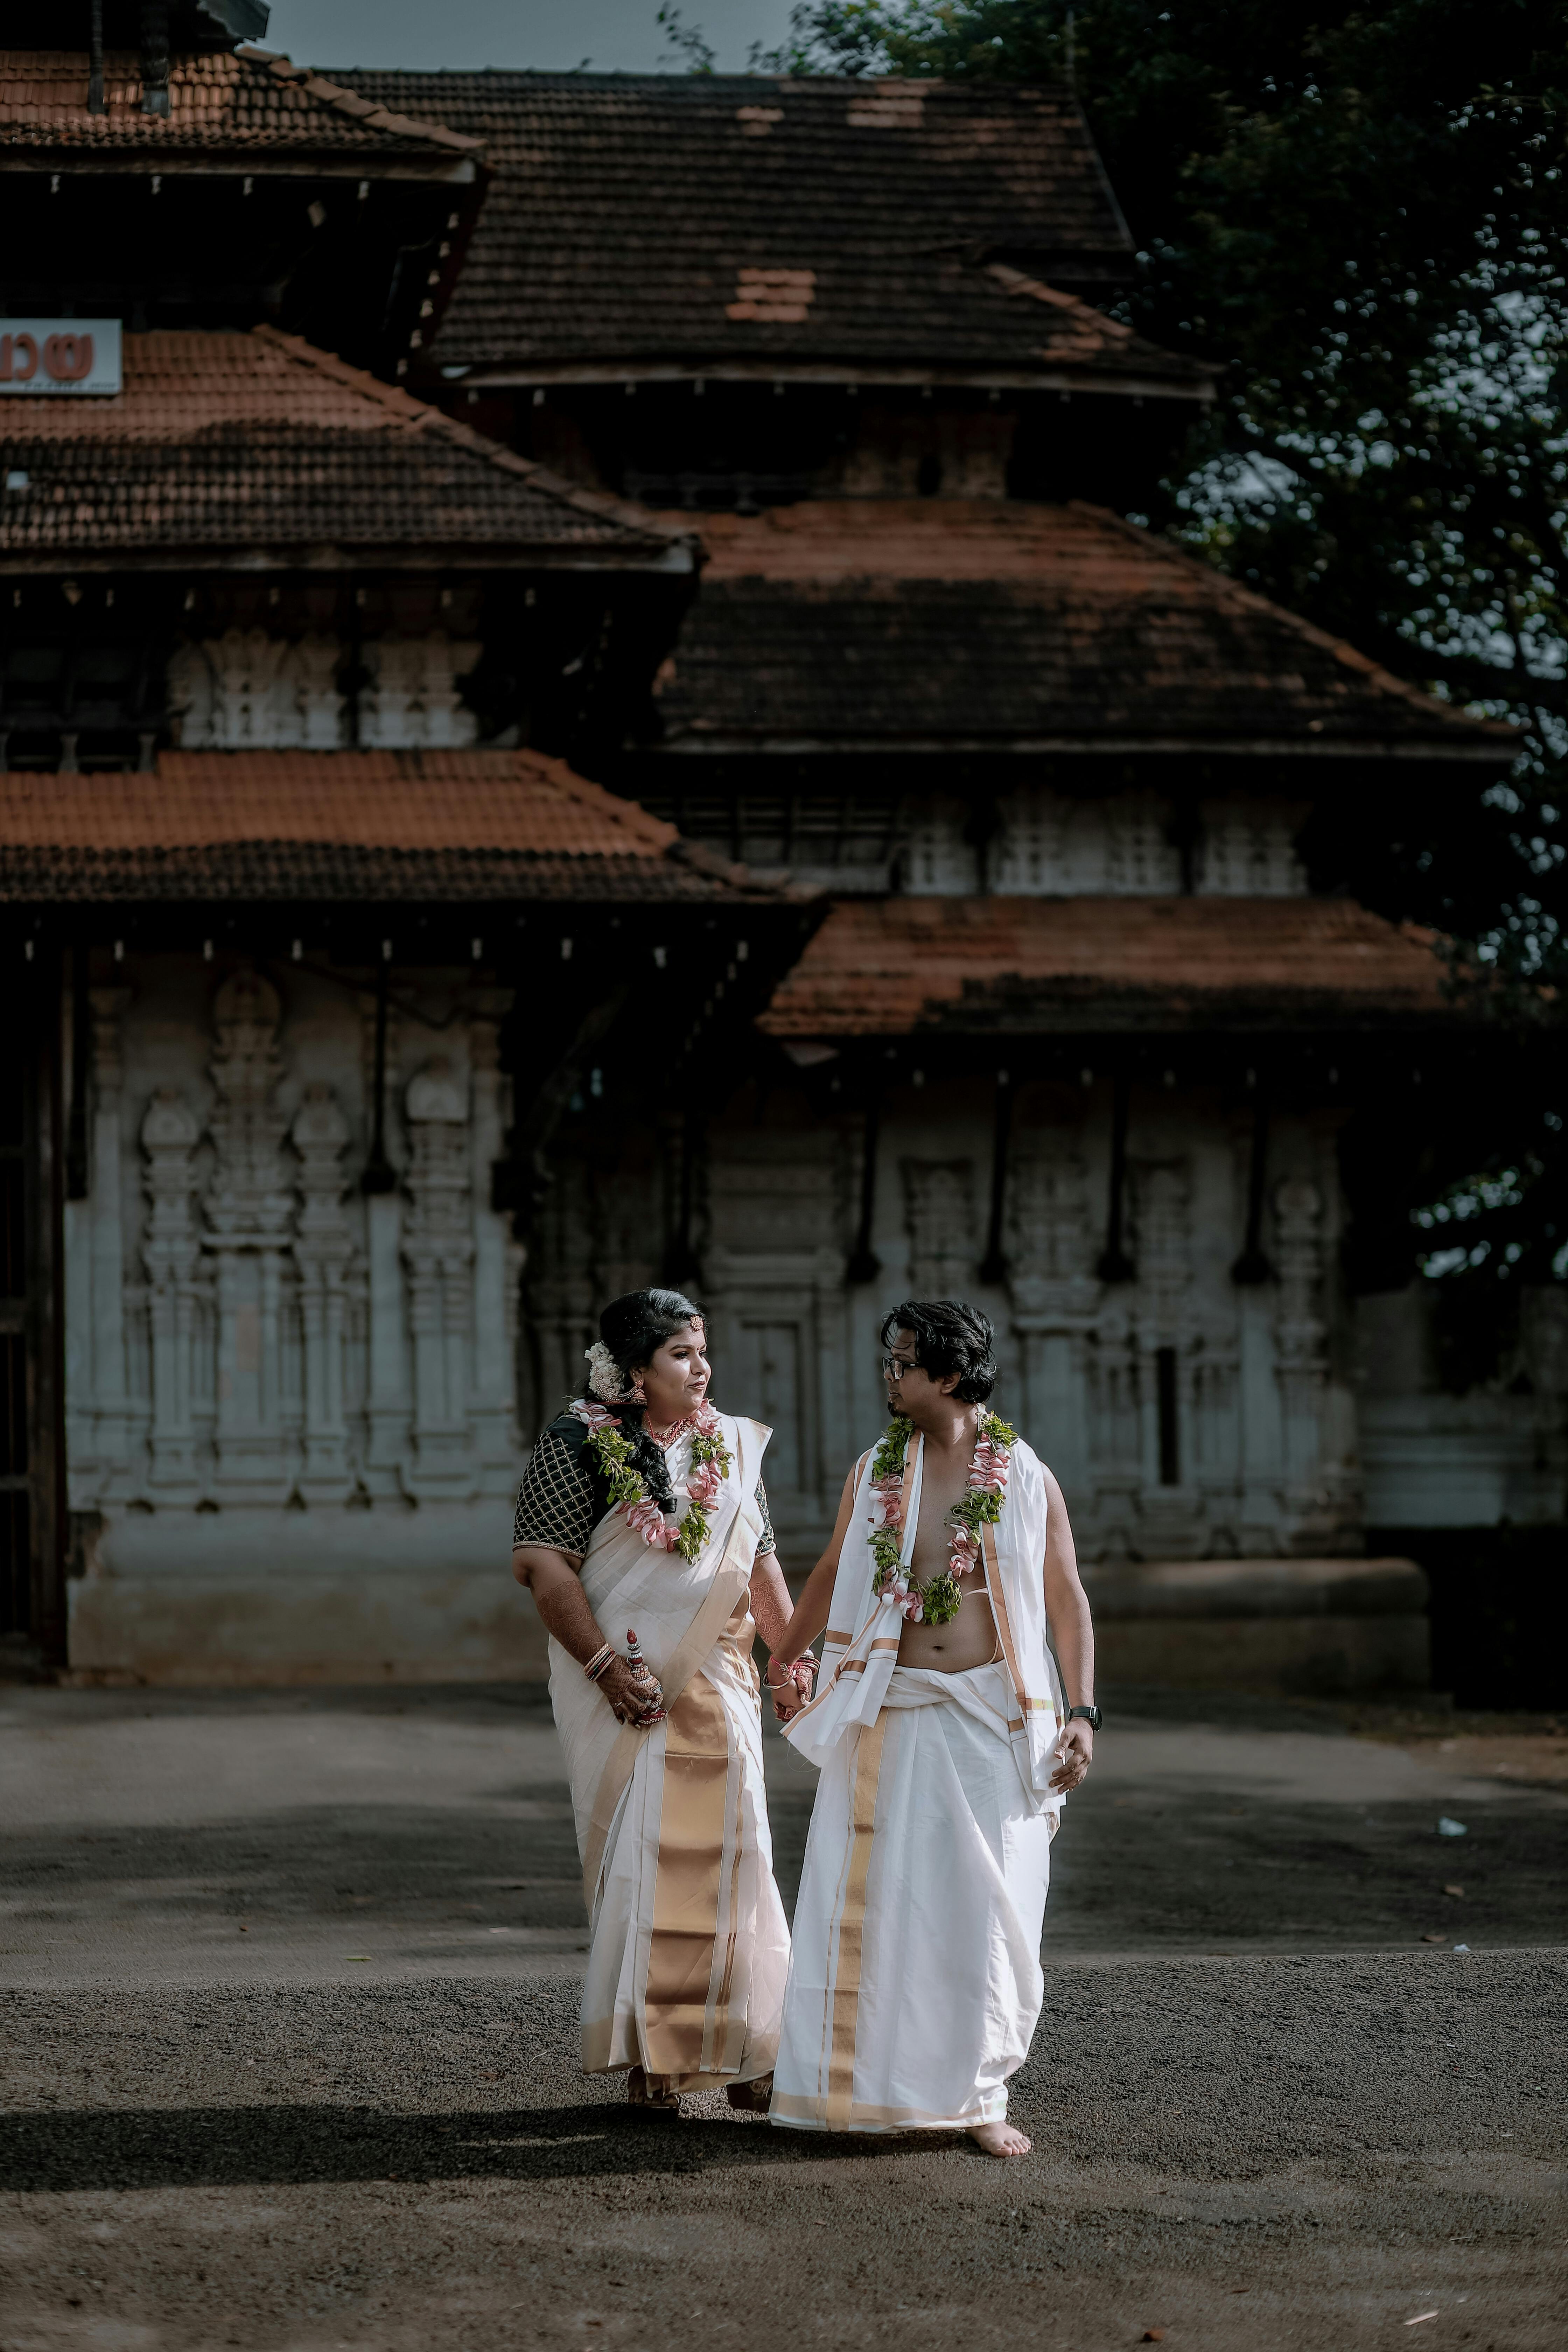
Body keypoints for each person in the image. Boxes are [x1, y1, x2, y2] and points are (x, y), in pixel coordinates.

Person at [764, 1299, 1098, 2158]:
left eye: (902, 1362)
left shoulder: (1023, 1474)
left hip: (993, 1717)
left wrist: (1083, 1714)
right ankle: (855, 2090)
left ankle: (977, 2096)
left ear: (948, 1376)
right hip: (895, 1706)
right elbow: (833, 1568)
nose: (888, 1373)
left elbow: (1065, 1598)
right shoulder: (874, 1469)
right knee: (880, 1908)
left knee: (994, 1911)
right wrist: (785, 1657)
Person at [511, 1288, 807, 2113]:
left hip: (718, 1683)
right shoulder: (573, 1443)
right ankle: (656, 2059)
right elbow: (544, 1568)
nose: (702, 1368)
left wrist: (789, 1663)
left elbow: (758, 1564)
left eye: (702, 1351)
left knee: (740, 1854)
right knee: (642, 1863)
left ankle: (752, 2055)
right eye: (680, 1354)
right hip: (618, 1690)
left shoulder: (730, 1448)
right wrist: (605, 1667)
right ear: (633, 1372)